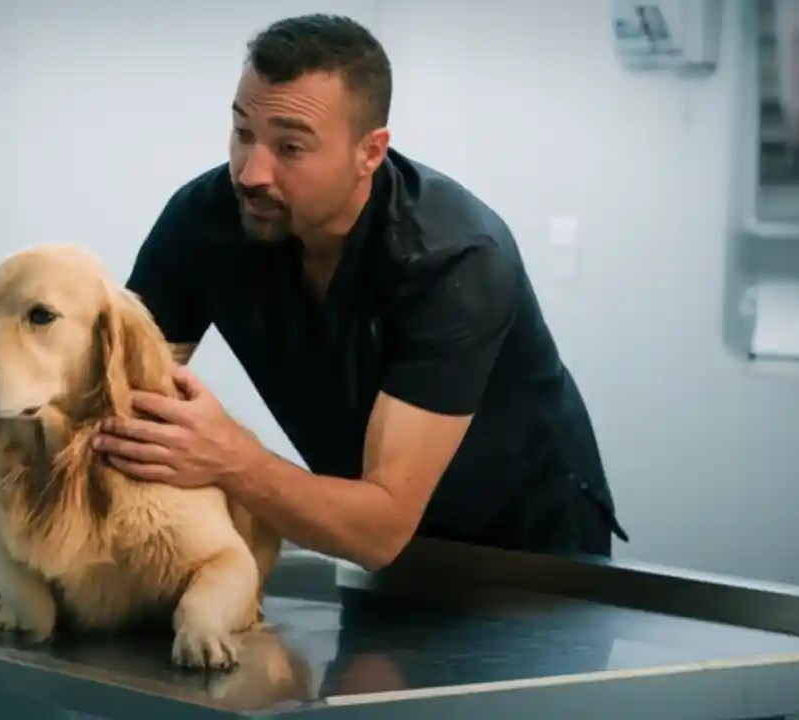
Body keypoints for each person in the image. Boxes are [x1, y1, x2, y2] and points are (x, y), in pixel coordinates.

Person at [92, 13, 627, 570]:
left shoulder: (455, 262)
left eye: (290, 147)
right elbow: (119, 403)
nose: (251, 172)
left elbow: (381, 529)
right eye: (243, 133)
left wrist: (234, 461)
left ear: (369, 153)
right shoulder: (203, 222)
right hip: (371, 544)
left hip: (533, 557)